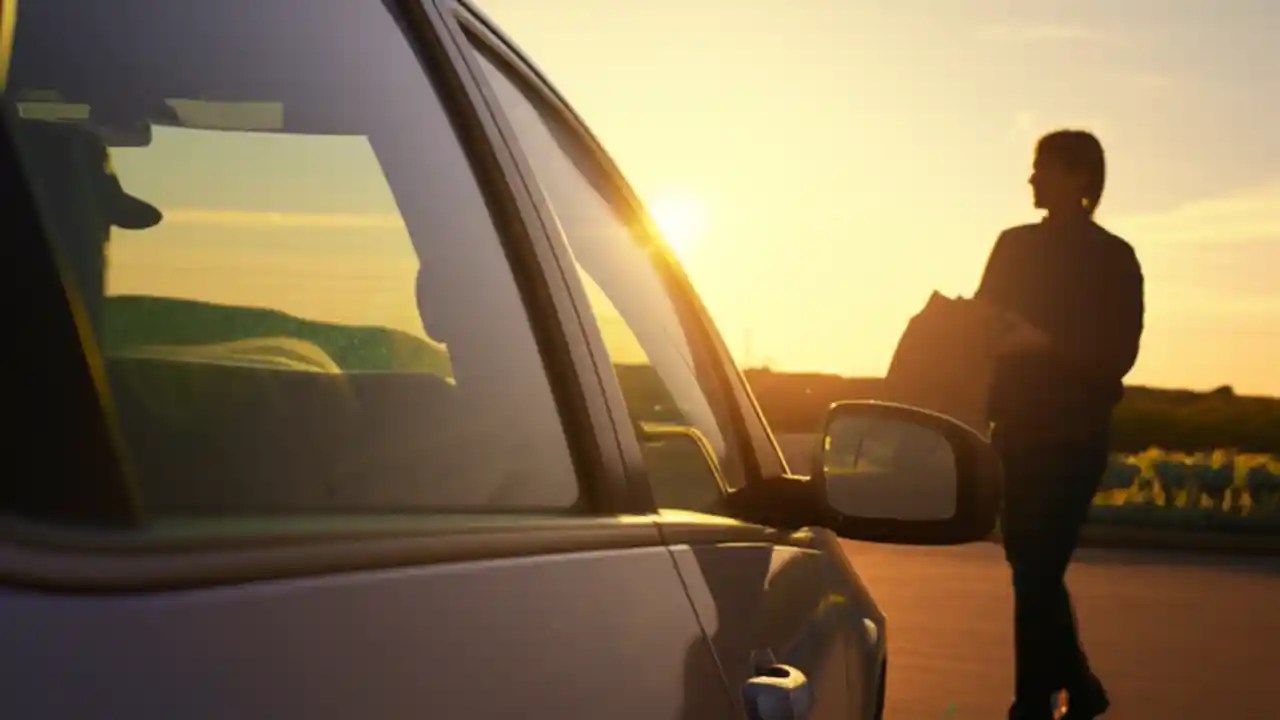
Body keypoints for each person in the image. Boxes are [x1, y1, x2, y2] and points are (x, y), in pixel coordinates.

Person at [974, 130, 1144, 720]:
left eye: (1041, 168)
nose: (1030, 179)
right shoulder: (1012, 245)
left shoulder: (1114, 258)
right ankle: (1079, 686)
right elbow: (984, 323)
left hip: (1074, 438)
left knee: (1037, 569)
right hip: (1014, 434)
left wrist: (1041, 343)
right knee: (1032, 567)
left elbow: (1118, 352)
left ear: (1078, 177)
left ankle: (1032, 702)